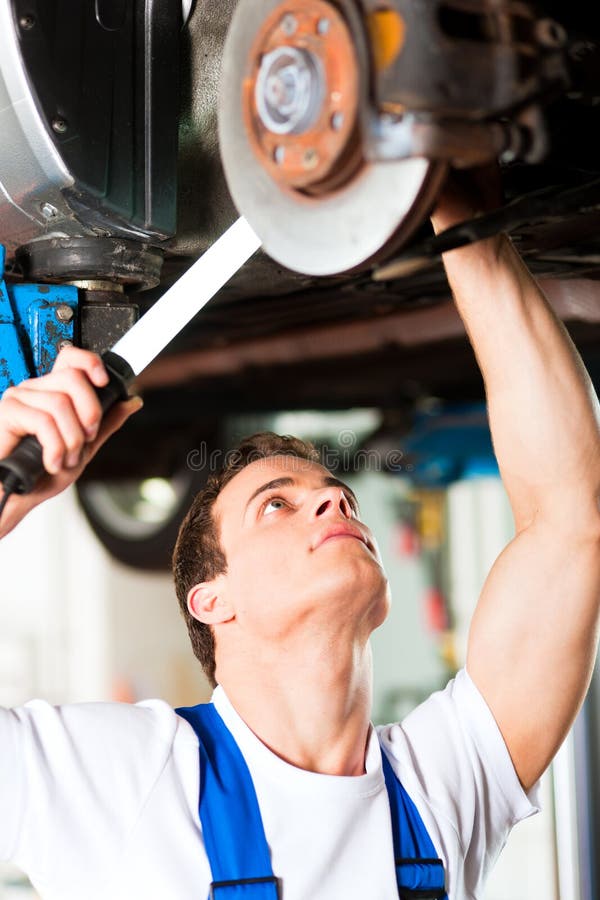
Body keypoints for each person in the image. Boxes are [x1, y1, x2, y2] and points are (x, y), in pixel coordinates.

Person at [0, 181, 598, 900]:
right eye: (277, 504)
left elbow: (570, 518)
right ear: (211, 599)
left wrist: (461, 208)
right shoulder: (121, 776)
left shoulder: (436, 791)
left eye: (334, 493)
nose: (332, 499)